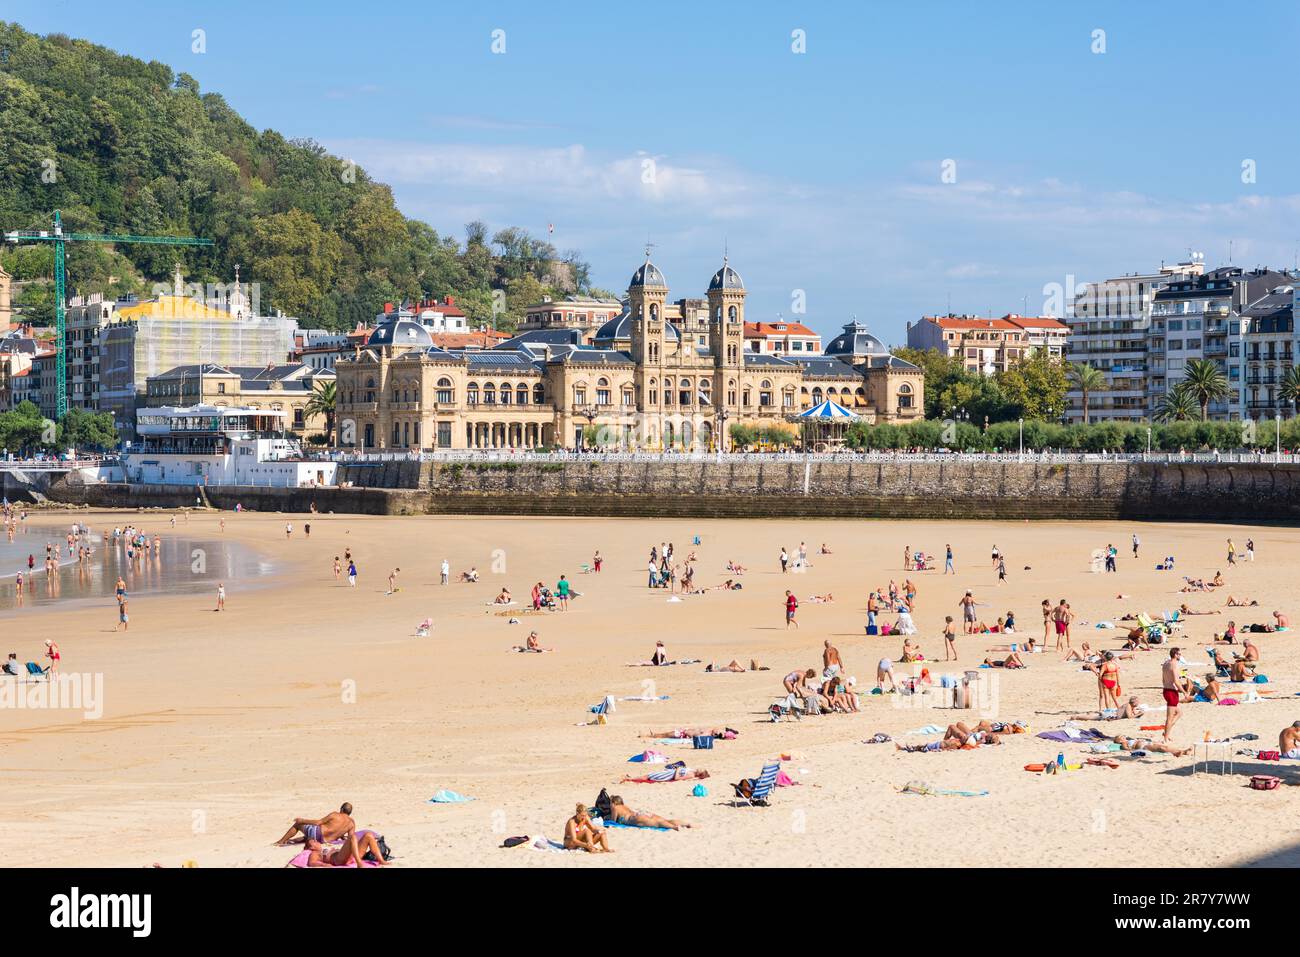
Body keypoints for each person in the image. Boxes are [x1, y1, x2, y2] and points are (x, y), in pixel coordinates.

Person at [275, 803, 355, 846]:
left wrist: (302, 820)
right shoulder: (351, 823)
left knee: (298, 825)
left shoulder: (335, 814)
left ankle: (281, 841)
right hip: (324, 841)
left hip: (318, 833)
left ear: (341, 809)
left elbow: (318, 822)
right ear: (350, 812)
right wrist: (341, 836)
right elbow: (350, 838)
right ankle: (291, 841)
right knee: (308, 836)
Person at [303, 830, 387, 867]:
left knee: (368, 835)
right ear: (310, 847)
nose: (316, 841)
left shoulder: (324, 847)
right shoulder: (315, 853)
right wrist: (325, 865)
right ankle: (359, 863)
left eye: (315, 840)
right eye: (313, 842)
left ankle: (381, 860)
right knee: (352, 837)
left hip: (350, 856)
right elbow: (311, 863)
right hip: (338, 860)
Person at [608, 795, 690, 830]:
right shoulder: (625, 806)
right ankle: (686, 824)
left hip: (634, 818)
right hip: (640, 813)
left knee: (657, 824)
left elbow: (613, 821)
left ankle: (673, 827)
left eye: (610, 803)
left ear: (614, 803)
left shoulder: (615, 808)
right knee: (665, 820)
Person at [1161, 648, 1184, 742]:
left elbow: (1163, 679)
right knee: (1169, 718)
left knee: (1179, 713)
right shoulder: (1174, 664)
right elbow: (1176, 681)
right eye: (1179, 654)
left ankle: (1166, 731)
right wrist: (1184, 692)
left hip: (1166, 690)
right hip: (1171, 692)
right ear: (1175, 655)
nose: (1180, 656)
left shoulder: (1166, 663)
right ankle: (1166, 738)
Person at [1070, 696, 1146, 721]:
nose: (1139, 703)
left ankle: (1081, 715)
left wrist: (1139, 713)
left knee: (1094, 716)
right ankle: (1076, 717)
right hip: (1110, 715)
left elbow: (1133, 714)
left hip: (1111, 713)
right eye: (1138, 702)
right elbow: (1129, 717)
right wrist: (1139, 714)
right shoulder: (1128, 706)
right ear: (1134, 702)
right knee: (1093, 718)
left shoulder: (1130, 706)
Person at [1113, 734, 1192, 757]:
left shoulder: (1129, 740)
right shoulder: (1123, 743)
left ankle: (1183, 751)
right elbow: (1127, 749)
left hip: (1146, 743)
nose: (1123, 736)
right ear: (1119, 741)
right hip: (1144, 747)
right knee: (1161, 748)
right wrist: (1133, 749)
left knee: (1164, 746)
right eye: (1121, 737)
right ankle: (1179, 752)